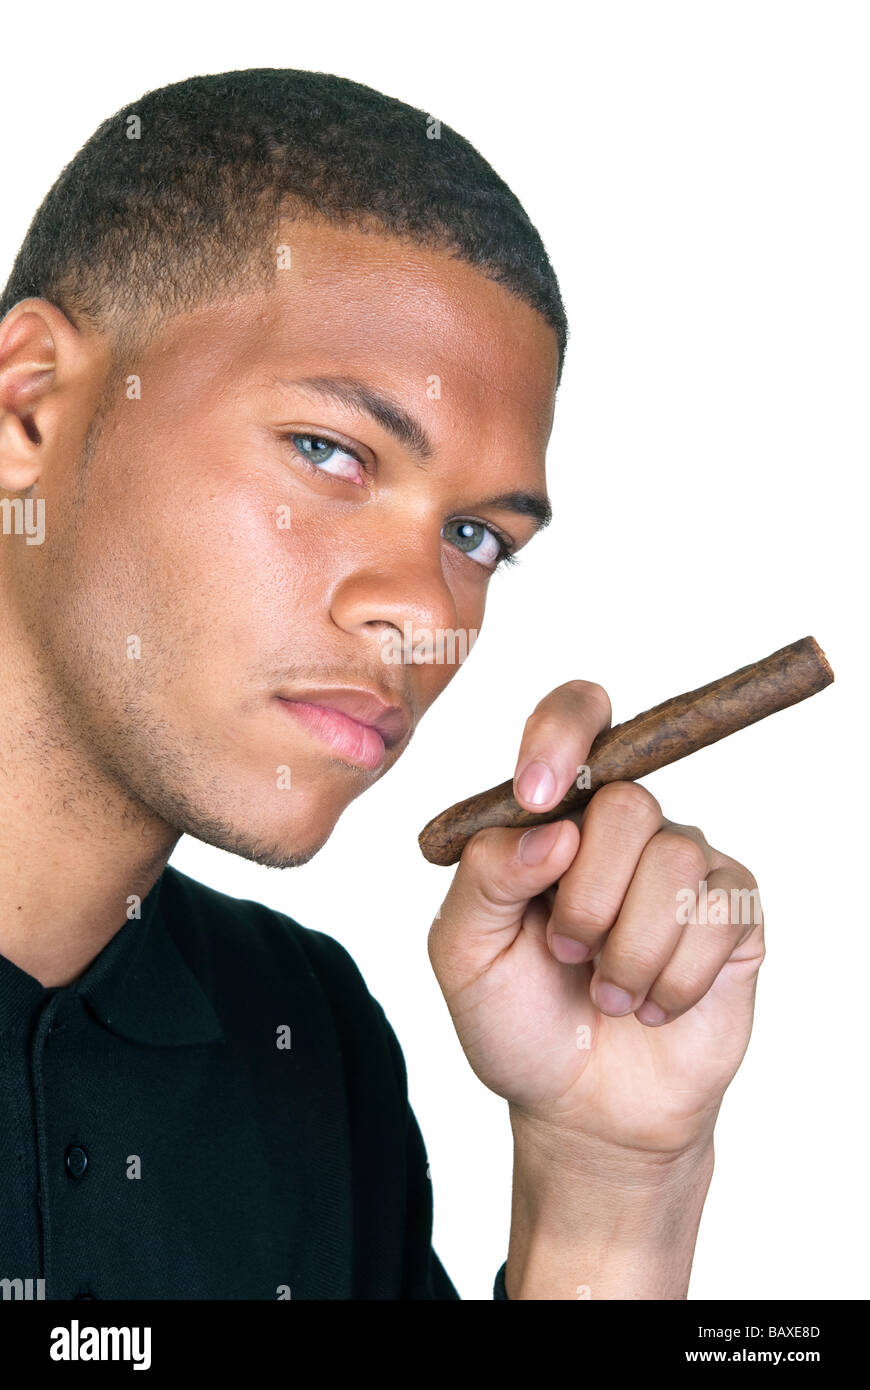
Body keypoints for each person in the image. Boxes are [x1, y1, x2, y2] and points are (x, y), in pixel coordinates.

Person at [0, 68, 762, 1300]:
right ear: (27, 408)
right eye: (330, 452)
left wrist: (609, 1193)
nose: (424, 614)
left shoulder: (306, 1038)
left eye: (477, 539)